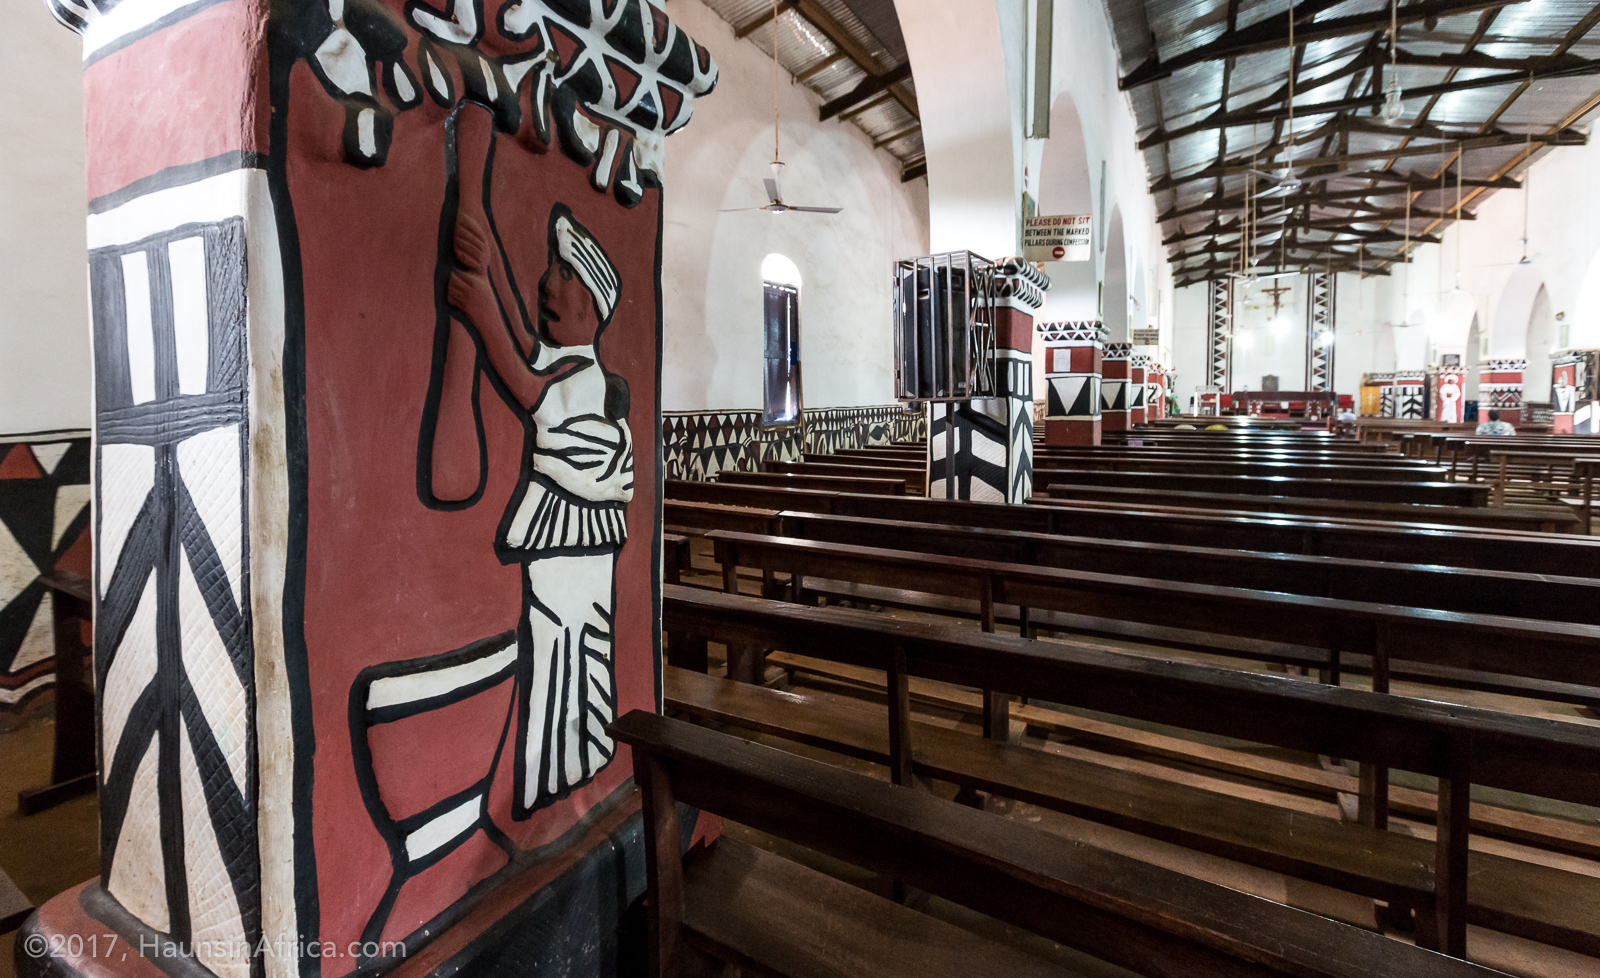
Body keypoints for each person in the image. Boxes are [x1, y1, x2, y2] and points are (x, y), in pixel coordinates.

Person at [444, 101, 633, 814]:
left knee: (569, 647)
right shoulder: (569, 363)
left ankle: (570, 761)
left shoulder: (582, 379)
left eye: (558, 274)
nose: (545, 282)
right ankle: (561, 765)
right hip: (566, 537)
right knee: (555, 646)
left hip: (574, 538)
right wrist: (485, 244)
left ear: (586, 302)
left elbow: (526, 383)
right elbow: (528, 348)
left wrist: (478, 302)